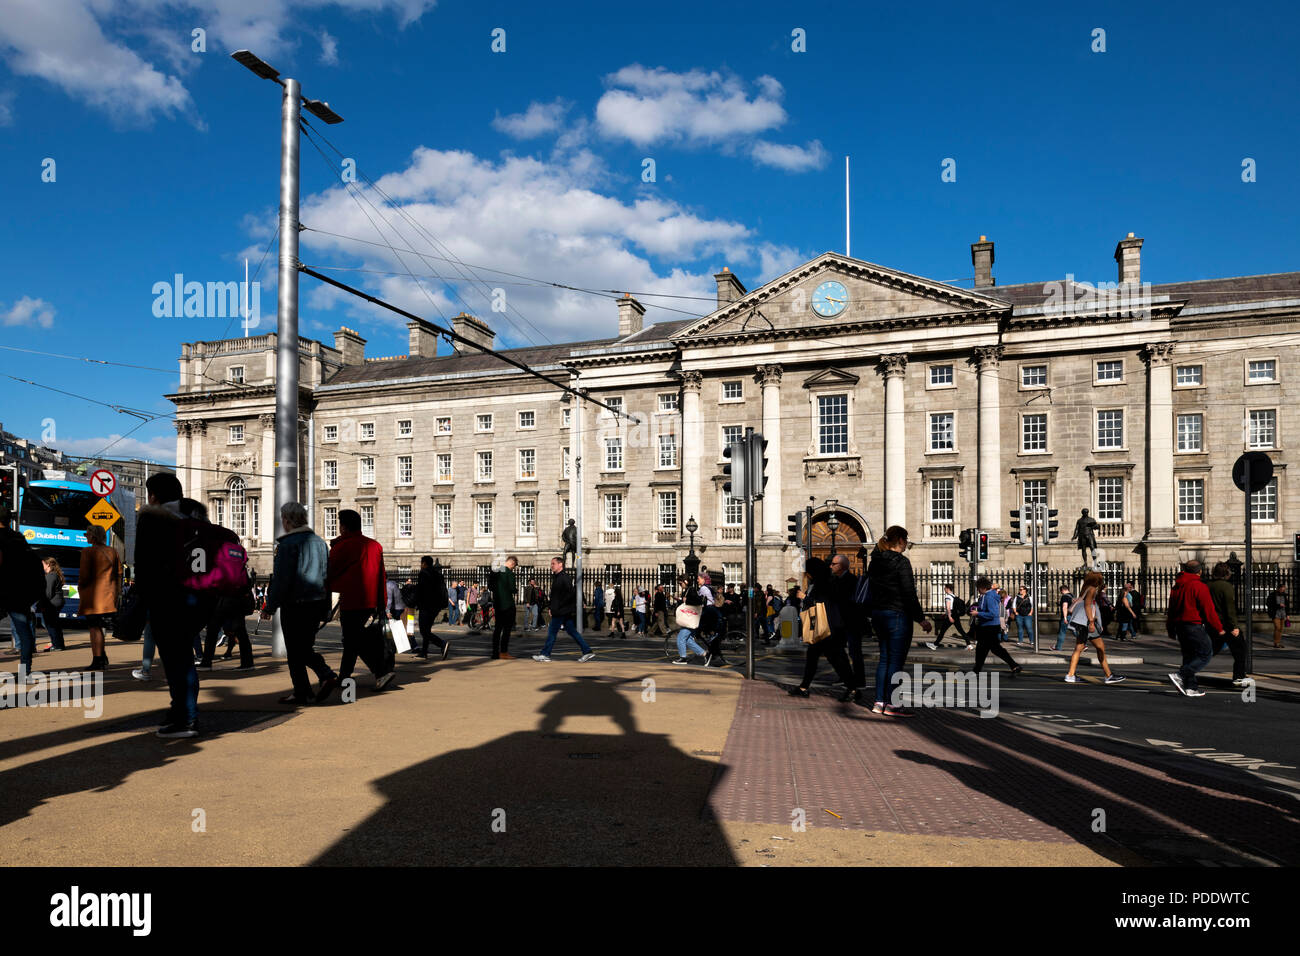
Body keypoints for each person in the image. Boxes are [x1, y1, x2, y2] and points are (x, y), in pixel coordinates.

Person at [134, 473, 211, 738]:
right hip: (200, 597)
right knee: (185, 659)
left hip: (167, 598)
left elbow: (144, 566)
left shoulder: (151, 518)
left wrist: (140, 604)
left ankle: (185, 718)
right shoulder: (196, 516)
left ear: (153, 495)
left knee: (175, 661)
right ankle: (182, 713)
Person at [261, 502, 339, 705]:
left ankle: (321, 677)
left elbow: (282, 579)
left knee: (296, 651)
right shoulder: (320, 543)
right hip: (317, 602)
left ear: (287, 520)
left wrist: (270, 606)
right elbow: (326, 577)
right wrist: (326, 608)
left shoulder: (287, 545)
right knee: (303, 647)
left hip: (295, 604)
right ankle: (305, 689)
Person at [326, 508, 396, 696]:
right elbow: (382, 576)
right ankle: (344, 676)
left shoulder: (342, 547)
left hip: (351, 601)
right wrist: (382, 603)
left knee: (354, 641)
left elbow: (330, 574)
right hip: (371, 602)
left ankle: (381, 672)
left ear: (344, 527)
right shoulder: (375, 546)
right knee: (351, 641)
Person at [864, 528, 932, 715]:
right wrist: (921, 619)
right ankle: (893, 704)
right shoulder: (902, 562)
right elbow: (909, 593)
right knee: (896, 661)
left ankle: (879, 702)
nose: (906, 544)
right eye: (906, 540)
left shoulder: (875, 562)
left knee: (884, 659)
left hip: (878, 614)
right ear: (900, 540)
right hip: (897, 615)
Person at [0, 503, 45, 682]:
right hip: (21, 593)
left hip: (2, 589)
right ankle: (25, 670)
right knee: (24, 632)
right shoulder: (19, 538)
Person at [1166, 559, 1223, 697]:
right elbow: (1208, 610)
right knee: (1205, 653)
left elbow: (1171, 610)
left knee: (1189, 656)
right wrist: (1219, 628)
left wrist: (1170, 629)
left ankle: (1190, 687)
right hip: (1193, 625)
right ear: (1200, 571)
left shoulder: (1176, 586)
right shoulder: (1199, 586)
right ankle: (1181, 675)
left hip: (1180, 626)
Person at [1063, 572, 1125, 684]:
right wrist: (1091, 622)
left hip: (1081, 623)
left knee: (1079, 648)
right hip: (1087, 623)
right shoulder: (1092, 589)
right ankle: (1108, 675)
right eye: (1101, 578)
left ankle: (1070, 675)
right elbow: (1087, 605)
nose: (1102, 580)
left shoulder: (1086, 588)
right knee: (1100, 648)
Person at [533, 556, 595, 662]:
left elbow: (570, 594)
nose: (551, 566)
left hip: (561, 611)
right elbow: (555, 595)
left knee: (552, 632)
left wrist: (556, 607)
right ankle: (587, 651)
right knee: (572, 631)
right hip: (562, 610)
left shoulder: (564, 577)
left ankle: (545, 654)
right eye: (551, 563)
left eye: (553, 563)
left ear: (560, 564)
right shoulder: (557, 577)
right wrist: (550, 607)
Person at [78, 524, 121, 671]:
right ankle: (101, 656)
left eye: (88, 534)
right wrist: (117, 593)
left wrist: (81, 589)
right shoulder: (112, 551)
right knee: (99, 627)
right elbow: (119, 574)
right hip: (108, 595)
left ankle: (98, 659)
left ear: (94, 536)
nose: (86, 537)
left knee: (94, 628)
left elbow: (83, 575)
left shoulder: (88, 552)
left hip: (93, 596)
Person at [197, 570, 255, 671]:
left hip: (222, 598)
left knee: (212, 631)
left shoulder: (218, 556)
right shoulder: (238, 556)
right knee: (241, 632)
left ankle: (206, 662)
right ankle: (248, 663)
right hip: (238, 599)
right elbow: (247, 580)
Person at [970, 577, 1022, 678]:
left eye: (978, 588)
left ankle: (976, 670)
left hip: (988, 627)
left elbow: (992, 613)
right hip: (989, 626)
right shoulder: (989, 595)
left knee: (983, 649)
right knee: (992, 649)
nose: (978, 590)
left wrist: (978, 613)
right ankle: (1014, 665)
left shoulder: (989, 597)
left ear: (982, 587)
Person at [1207, 562, 1249, 687]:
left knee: (1211, 650)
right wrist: (1235, 626)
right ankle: (1239, 676)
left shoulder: (1208, 585)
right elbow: (1229, 608)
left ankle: (1187, 670)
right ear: (1226, 574)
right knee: (1240, 650)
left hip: (1212, 623)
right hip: (1226, 624)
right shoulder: (1226, 587)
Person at [671, 571, 712, 665]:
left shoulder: (691, 590)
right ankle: (705, 654)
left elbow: (697, 601)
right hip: (689, 619)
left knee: (680, 638)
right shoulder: (688, 590)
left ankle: (683, 658)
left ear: (685, 581)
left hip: (690, 619)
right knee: (688, 640)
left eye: (680, 583)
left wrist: (687, 600)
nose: (680, 585)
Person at [415, 556, 451, 660]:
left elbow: (422, 590)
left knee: (423, 630)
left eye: (421, 563)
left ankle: (442, 644)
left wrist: (416, 601)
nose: (421, 565)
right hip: (436, 606)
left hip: (426, 605)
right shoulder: (438, 574)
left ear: (424, 563)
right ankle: (424, 652)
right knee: (427, 629)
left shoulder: (423, 573)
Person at [490, 555, 518, 660]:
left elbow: (490, 587)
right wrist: (515, 590)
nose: (513, 568)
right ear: (512, 563)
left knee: (497, 629)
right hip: (507, 605)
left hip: (497, 604)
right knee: (506, 630)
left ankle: (494, 653)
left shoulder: (495, 571)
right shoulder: (509, 573)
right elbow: (512, 588)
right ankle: (503, 652)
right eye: (514, 566)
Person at [37, 557, 67, 652]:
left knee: (51, 625)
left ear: (48, 565)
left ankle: (57, 645)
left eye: (42, 564)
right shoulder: (53, 575)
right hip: (56, 602)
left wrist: (40, 604)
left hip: (51, 604)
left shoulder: (50, 576)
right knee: (55, 624)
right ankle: (59, 644)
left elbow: (48, 593)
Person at [926, 583, 968, 650]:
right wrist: (946, 614)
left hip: (951, 615)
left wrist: (949, 616)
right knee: (961, 630)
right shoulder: (953, 596)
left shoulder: (948, 597)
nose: (944, 589)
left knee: (942, 631)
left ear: (948, 588)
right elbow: (952, 607)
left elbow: (948, 608)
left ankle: (935, 645)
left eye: (945, 588)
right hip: (955, 615)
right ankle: (969, 645)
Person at [1266, 585, 1288, 649]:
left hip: (1283, 614)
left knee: (1281, 629)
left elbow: (1287, 605)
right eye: (1282, 589)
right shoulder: (1272, 595)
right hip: (1275, 614)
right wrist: (1278, 605)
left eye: (1284, 590)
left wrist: (1288, 615)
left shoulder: (1284, 595)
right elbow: (1268, 603)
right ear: (1278, 588)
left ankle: (1278, 642)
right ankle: (1276, 643)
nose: (1283, 591)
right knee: (1277, 628)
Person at [1054, 585, 1073, 651]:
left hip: (1066, 616)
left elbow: (1065, 607)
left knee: (1062, 632)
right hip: (1072, 616)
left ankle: (1058, 647)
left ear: (1062, 590)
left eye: (1061, 591)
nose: (1061, 593)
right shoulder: (1072, 596)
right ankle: (1083, 645)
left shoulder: (1064, 596)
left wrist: (1065, 618)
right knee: (1075, 631)